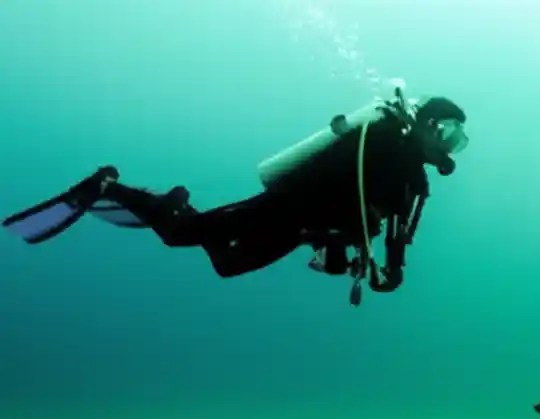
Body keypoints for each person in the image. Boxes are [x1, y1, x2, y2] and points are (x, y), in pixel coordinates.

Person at [2, 82, 468, 305]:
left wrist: (393, 271)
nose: (450, 147)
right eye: (448, 135)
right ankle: (111, 187)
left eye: (457, 142)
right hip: (288, 210)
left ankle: (178, 207)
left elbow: (395, 235)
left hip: (303, 229)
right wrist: (340, 239)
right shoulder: (384, 138)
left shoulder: (416, 181)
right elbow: (337, 184)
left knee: (227, 265)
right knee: (179, 234)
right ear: (428, 124)